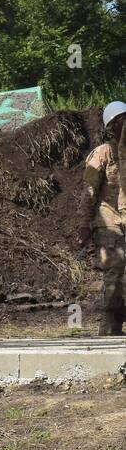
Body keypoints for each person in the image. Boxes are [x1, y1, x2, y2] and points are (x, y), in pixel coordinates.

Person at [78, 100, 126, 335]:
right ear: (112, 126)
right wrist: (84, 225)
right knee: (115, 271)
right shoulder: (103, 153)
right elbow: (88, 192)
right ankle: (109, 330)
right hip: (108, 220)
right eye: (120, 121)